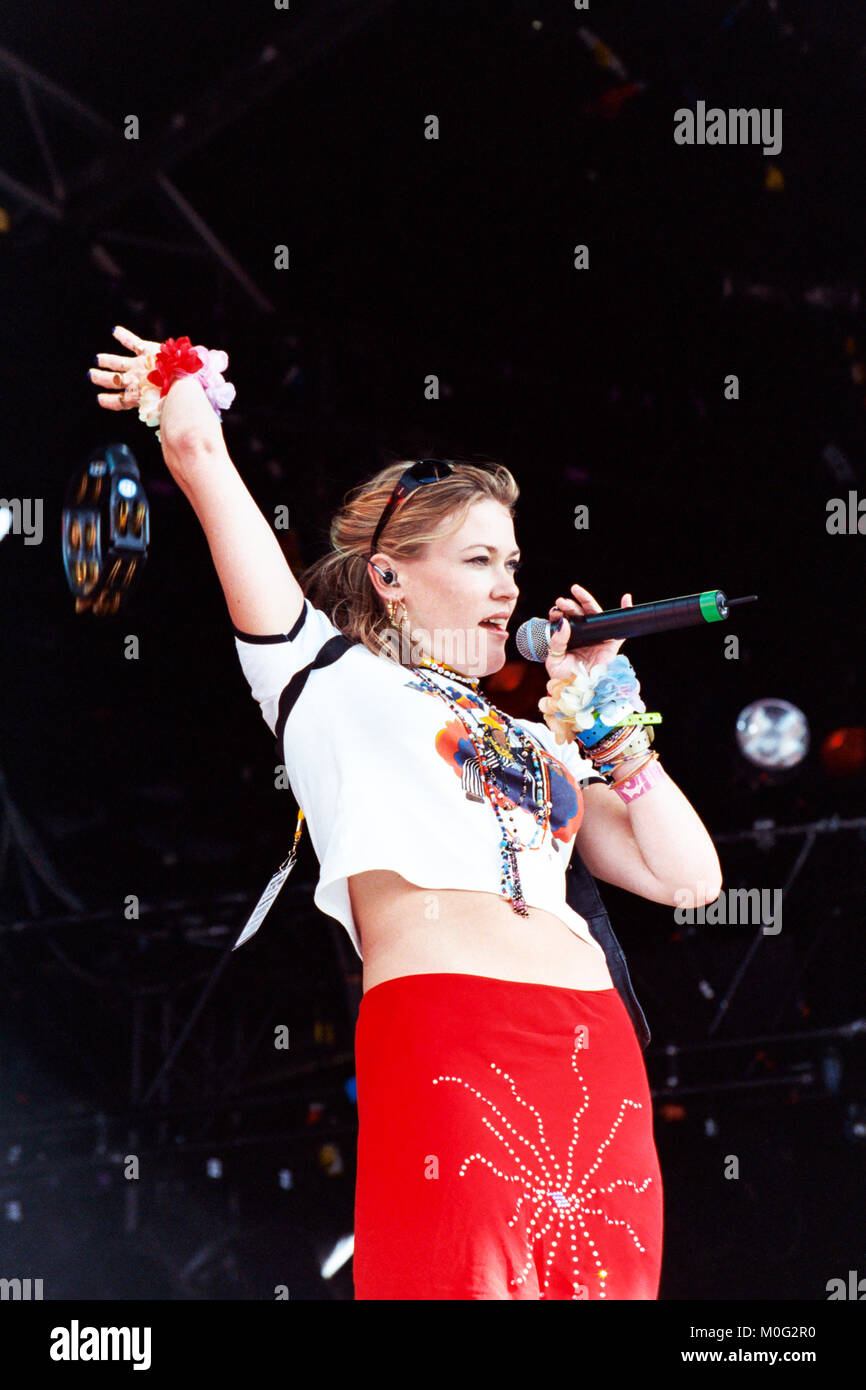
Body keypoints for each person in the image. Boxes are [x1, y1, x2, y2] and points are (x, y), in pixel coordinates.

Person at [90, 325, 723, 1301]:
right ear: (387, 573)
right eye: (478, 559)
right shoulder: (323, 680)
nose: (509, 585)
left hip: (593, 1048)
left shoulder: (540, 738)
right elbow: (197, 458)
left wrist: (610, 726)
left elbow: (688, 878)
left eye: (511, 560)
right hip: (454, 1027)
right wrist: (175, 383)